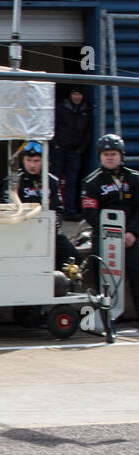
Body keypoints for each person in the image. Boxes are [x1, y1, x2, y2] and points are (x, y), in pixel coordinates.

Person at [80, 133, 139, 317]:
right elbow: (90, 214)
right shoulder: (91, 182)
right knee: (101, 272)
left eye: (114, 153)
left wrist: (131, 233)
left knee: (136, 270)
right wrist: (113, 235)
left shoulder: (134, 179)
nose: (110, 157)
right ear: (100, 157)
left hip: (131, 235)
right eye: (106, 154)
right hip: (104, 235)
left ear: (121, 155)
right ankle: (106, 316)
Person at [4, 141, 77, 268]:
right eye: (29, 160)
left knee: (74, 257)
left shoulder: (52, 181)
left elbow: (59, 209)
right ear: (23, 160)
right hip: (23, 231)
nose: (32, 165)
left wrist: (57, 221)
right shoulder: (14, 181)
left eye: (36, 160)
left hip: (49, 231)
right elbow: (5, 209)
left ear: (43, 160)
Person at [53, 86, 92, 219]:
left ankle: (70, 211)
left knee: (72, 182)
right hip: (60, 150)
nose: (76, 97)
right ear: (70, 95)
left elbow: (88, 132)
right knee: (55, 181)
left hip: (75, 152)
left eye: (79, 94)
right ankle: (55, 209)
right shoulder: (61, 108)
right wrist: (56, 145)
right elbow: (53, 126)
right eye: (74, 93)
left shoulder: (86, 110)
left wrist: (81, 148)